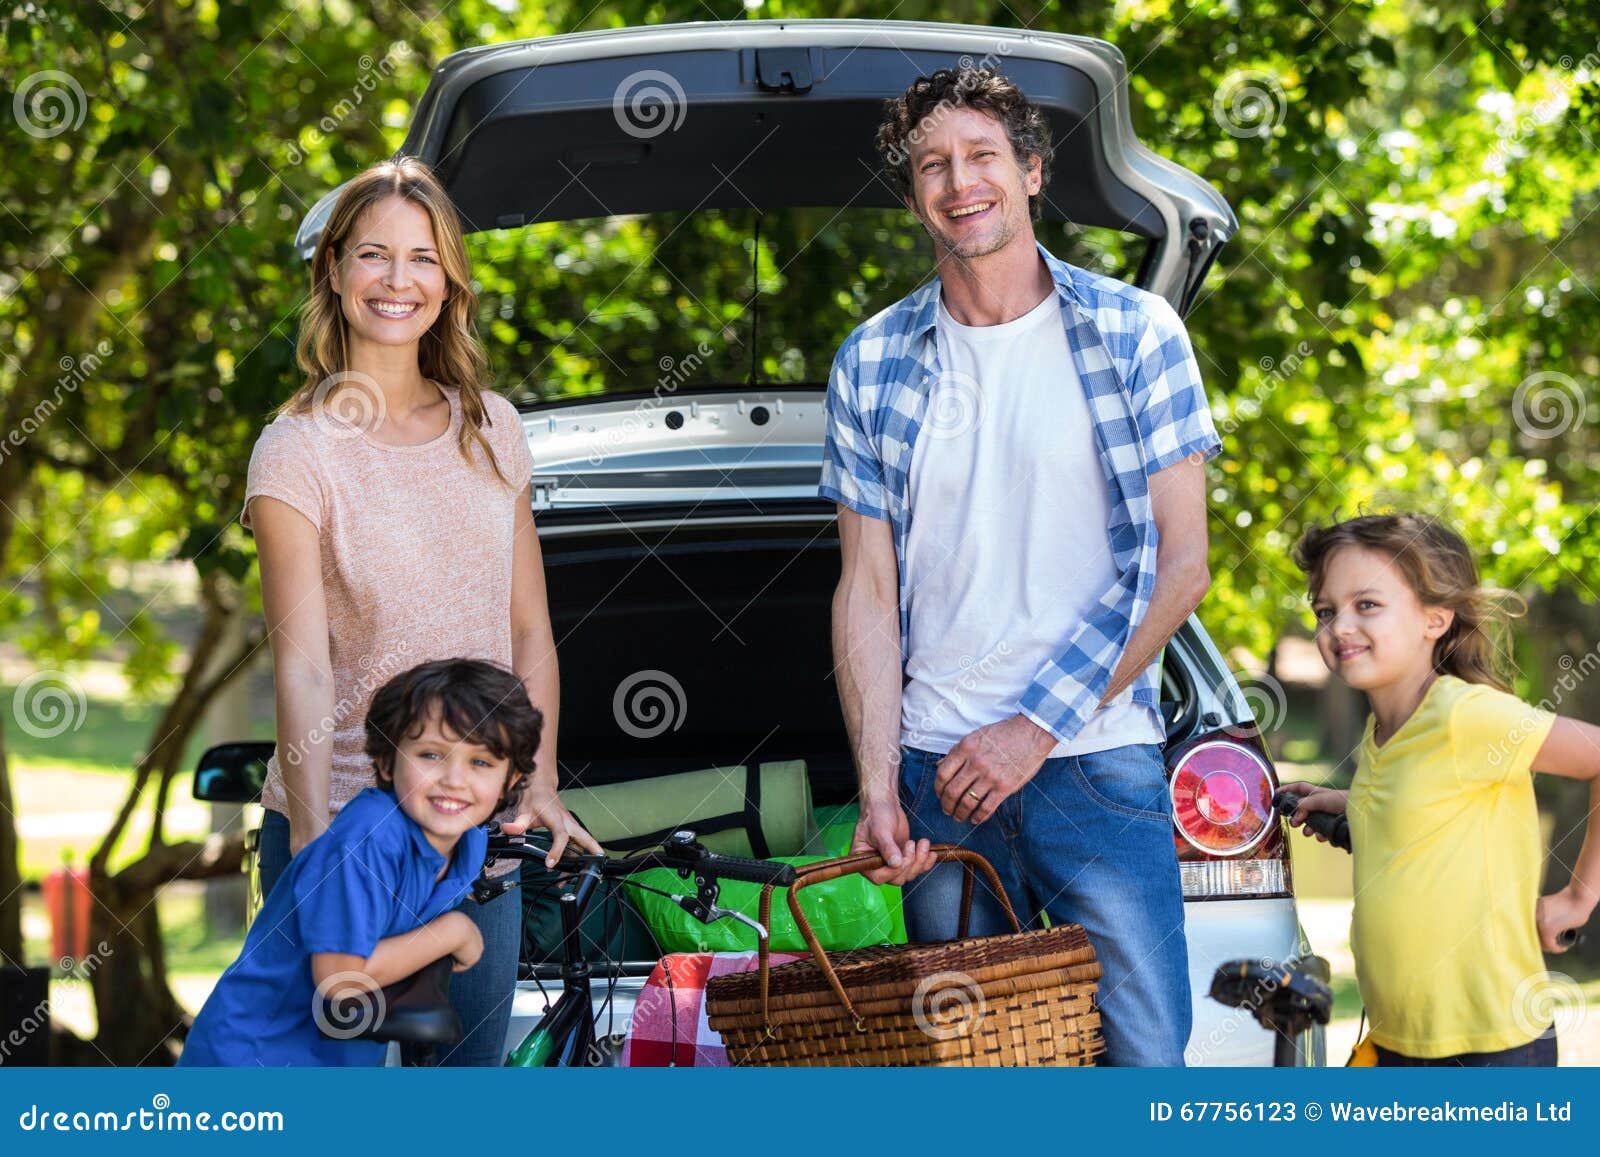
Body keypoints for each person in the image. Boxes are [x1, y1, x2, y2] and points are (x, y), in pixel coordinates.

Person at [820, 66, 1220, 1066]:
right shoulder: (870, 360)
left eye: (982, 156)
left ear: (1032, 172)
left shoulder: (1136, 332)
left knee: (1145, 1061)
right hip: (936, 771)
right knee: (975, 1081)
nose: (960, 181)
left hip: (1094, 757)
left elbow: (1182, 569)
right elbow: (865, 590)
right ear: (914, 193)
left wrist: (1030, 728)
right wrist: (877, 782)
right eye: (932, 165)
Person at [242, 157, 600, 1066]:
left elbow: (528, 632)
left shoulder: (493, 428)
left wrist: (540, 781)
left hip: (470, 827)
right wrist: (320, 838)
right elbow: (303, 662)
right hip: (348, 821)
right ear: (333, 269)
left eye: (423, 259)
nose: (398, 281)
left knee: (464, 1097)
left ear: (450, 282)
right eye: (373, 254)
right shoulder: (295, 451)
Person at [1282, 512, 1599, 1066]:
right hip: (1397, 1041)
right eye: (1326, 611)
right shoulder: (1383, 730)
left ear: (1435, 619)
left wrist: (1578, 897)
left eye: (1368, 605)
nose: (1339, 627)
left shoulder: (1464, 716)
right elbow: (1428, 815)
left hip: (1487, 1048)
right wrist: (1353, 805)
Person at [181, 659, 537, 1066]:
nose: (454, 780)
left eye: (481, 762)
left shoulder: (468, 844)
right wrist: (453, 931)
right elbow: (339, 979)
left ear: (511, 780)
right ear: (387, 761)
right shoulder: (369, 839)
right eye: (431, 755)